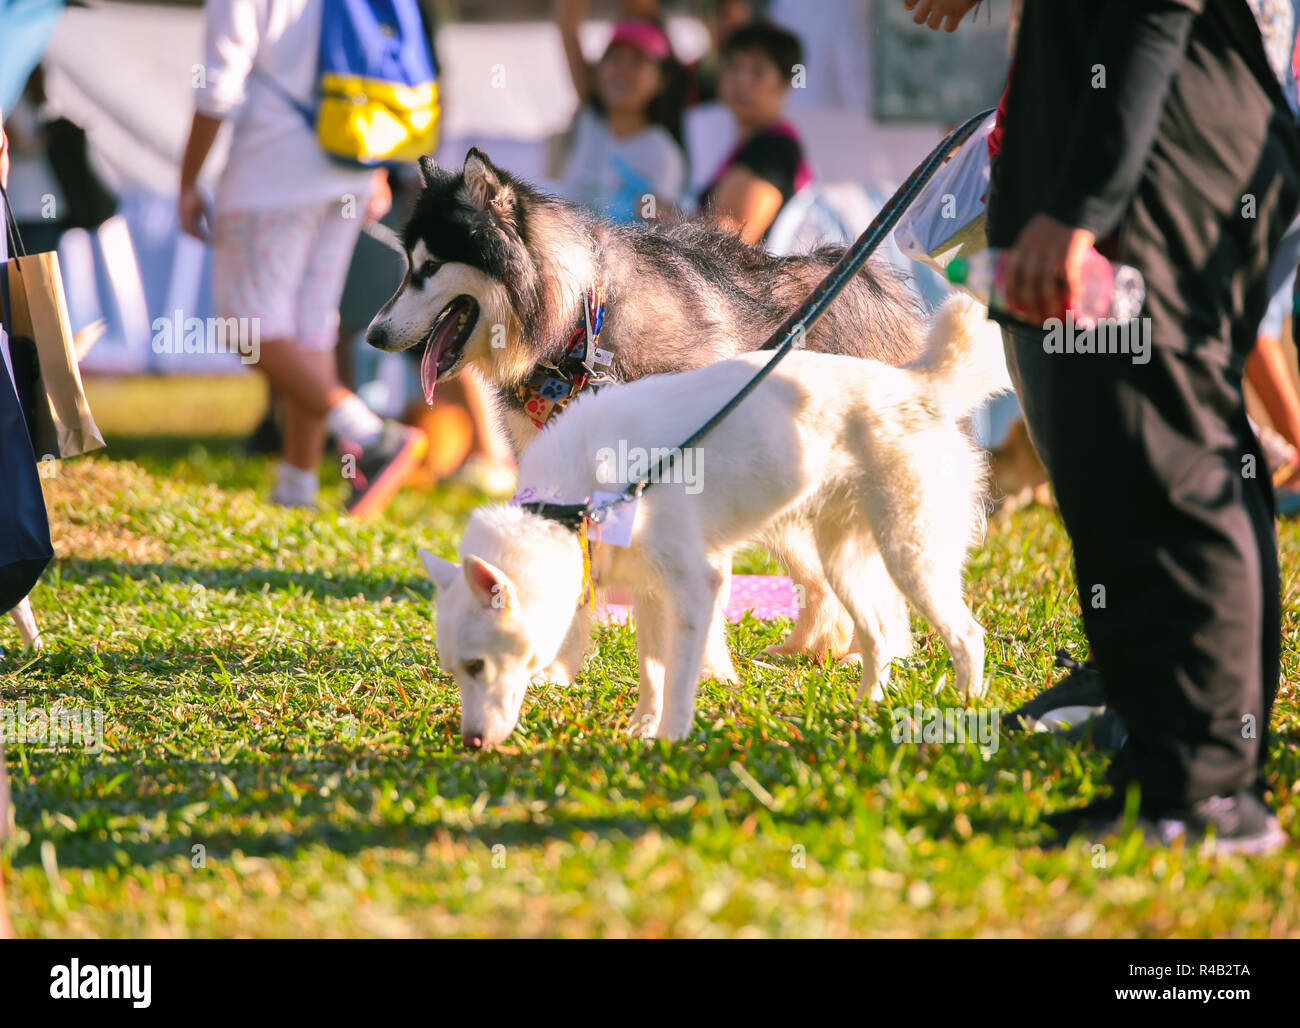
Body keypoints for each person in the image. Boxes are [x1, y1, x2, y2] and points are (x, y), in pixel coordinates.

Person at [919, 0, 1300, 852]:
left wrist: (1083, 202)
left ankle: (1208, 791)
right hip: (1126, 159)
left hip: (1163, 166)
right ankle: (1164, 763)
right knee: (1124, 471)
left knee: (1173, 463)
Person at [179, 0, 426, 516]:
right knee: (309, 328)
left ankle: (372, 436)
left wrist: (188, 180)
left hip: (271, 174)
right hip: (350, 167)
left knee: (244, 328)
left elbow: (219, 84)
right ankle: (297, 486)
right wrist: (374, 168)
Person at [557, 10, 686, 222]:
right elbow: (567, 28)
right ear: (598, 71)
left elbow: (660, 231)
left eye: (637, 62)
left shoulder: (664, 155)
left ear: (662, 81)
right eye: (615, 59)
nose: (623, 71)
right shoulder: (589, 120)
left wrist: (653, 210)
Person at [697, 19, 811, 245]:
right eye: (733, 67)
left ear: (785, 82)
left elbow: (734, 242)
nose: (741, 80)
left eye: (757, 71)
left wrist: (663, 215)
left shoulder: (774, 148)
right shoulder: (751, 143)